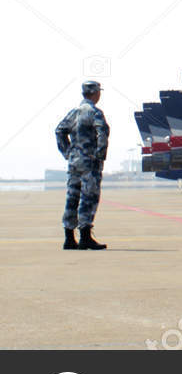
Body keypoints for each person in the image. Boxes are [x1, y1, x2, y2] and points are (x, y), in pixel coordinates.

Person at [55, 80, 110, 250]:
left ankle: (69, 237)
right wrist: (100, 155)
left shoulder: (74, 113)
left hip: (74, 163)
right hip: (89, 162)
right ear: (96, 93)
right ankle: (85, 236)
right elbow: (102, 132)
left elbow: (59, 131)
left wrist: (67, 153)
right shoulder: (94, 113)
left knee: (72, 197)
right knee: (89, 198)